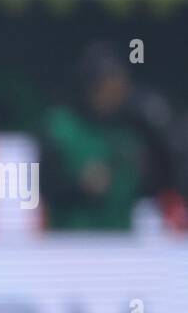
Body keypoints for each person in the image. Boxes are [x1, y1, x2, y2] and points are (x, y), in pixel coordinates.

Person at [39, 42, 183, 231]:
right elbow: (45, 188)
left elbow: (157, 187)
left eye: (120, 89)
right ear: (90, 88)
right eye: (108, 88)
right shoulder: (61, 127)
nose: (115, 96)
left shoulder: (134, 129)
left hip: (119, 245)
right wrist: (80, 186)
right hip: (71, 243)